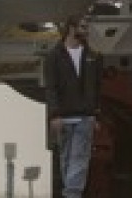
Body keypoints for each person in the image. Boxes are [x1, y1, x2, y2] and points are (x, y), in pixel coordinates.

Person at [44, 14, 104, 198]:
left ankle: (72, 194)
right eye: (82, 27)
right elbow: (51, 87)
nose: (86, 31)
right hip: (63, 117)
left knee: (79, 158)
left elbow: (97, 87)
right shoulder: (53, 57)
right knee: (66, 159)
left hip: (85, 117)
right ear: (71, 28)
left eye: (86, 27)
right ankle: (71, 192)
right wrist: (54, 115)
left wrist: (97, 115)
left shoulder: (94, 57)